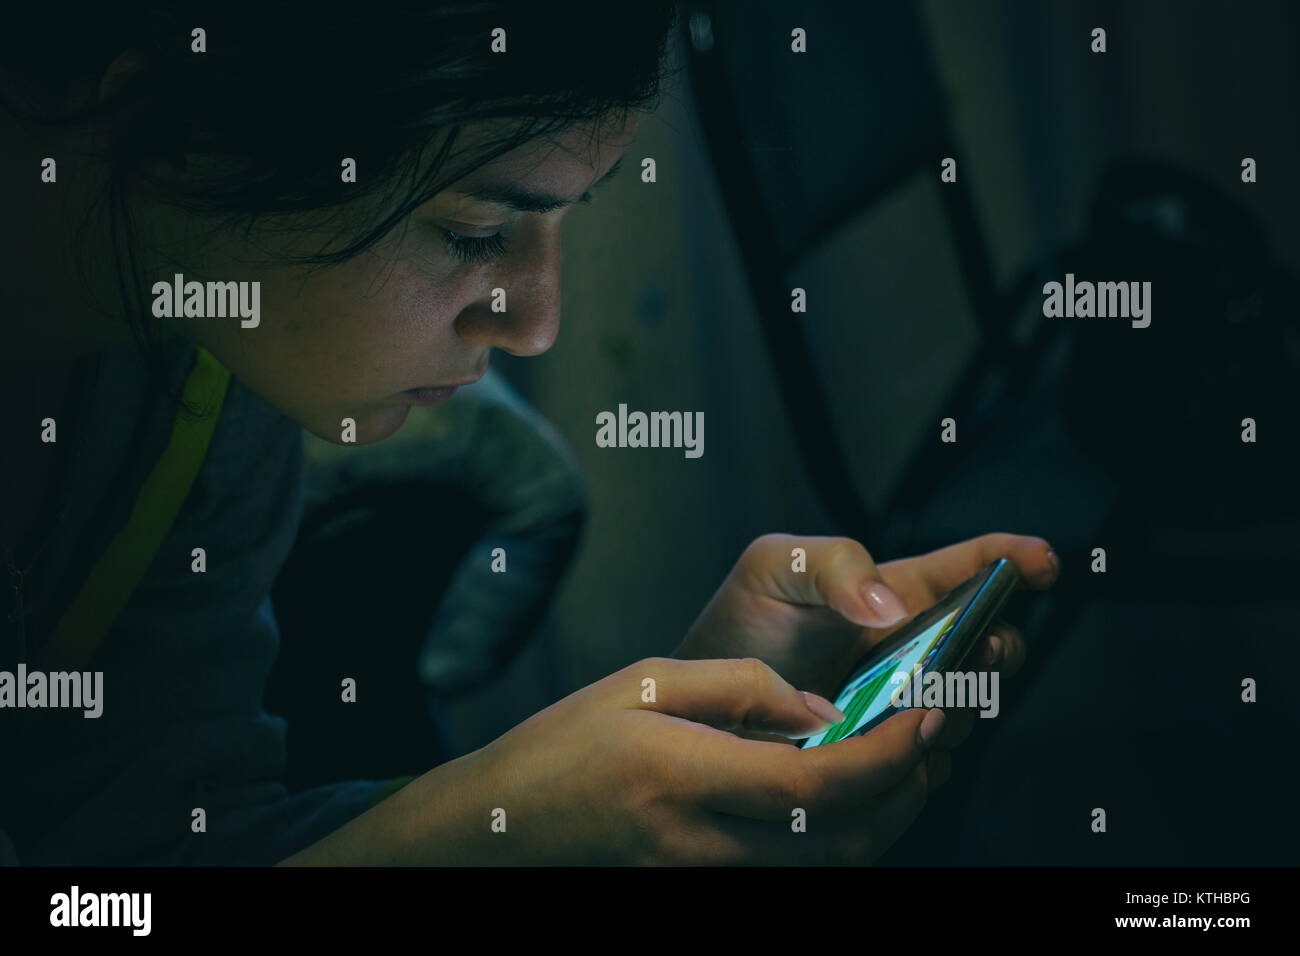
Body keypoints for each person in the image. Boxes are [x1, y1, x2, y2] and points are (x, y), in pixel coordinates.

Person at [0, 2, 1060, 865]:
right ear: (173, 126)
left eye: (562, 219)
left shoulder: (205, 364)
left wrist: (649, 764)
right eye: (474, 231)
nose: (536, 319)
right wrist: (485, 826)